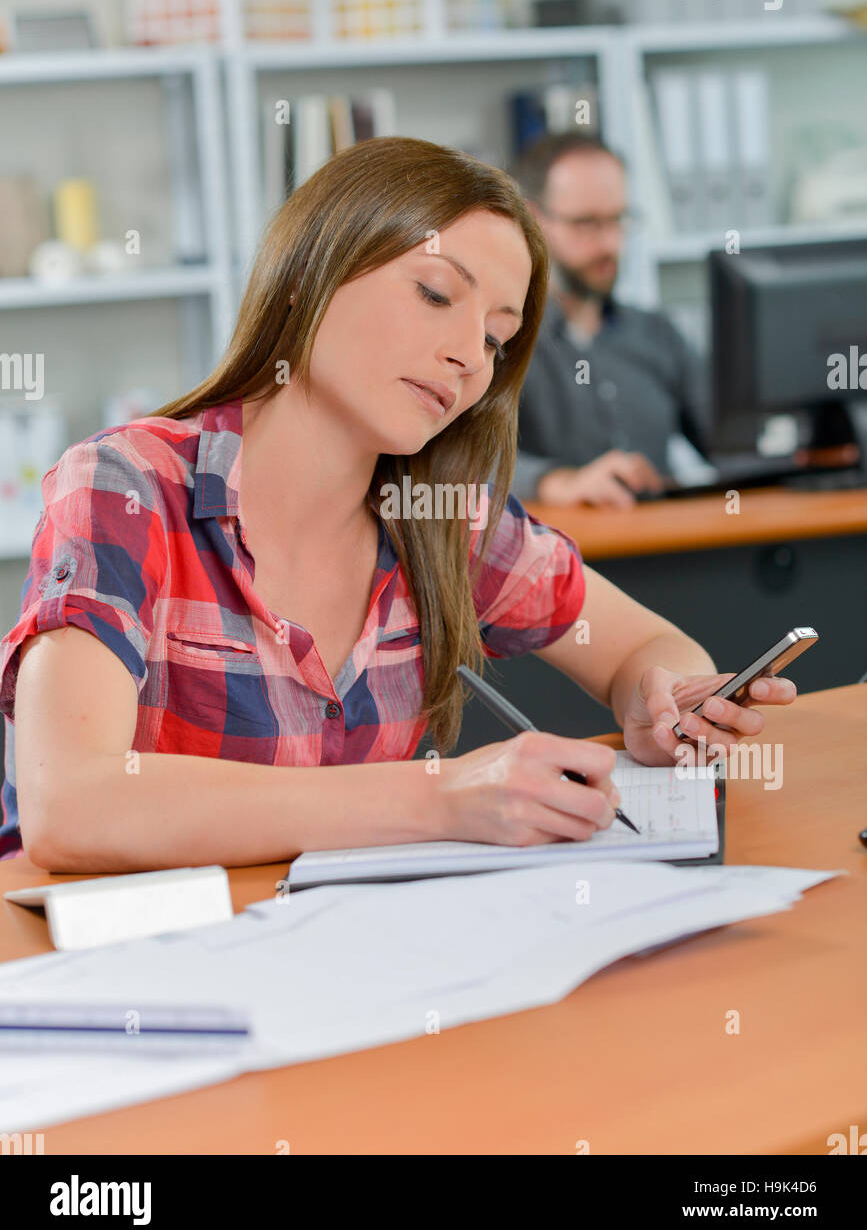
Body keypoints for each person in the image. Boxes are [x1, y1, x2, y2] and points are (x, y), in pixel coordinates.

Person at [0, 137, 795, 872]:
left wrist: (665, 705)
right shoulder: (126, 487)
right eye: (434, 292)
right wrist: (439, 797)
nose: (466, 357)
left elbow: (646, 647)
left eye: (496, 337)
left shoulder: (442, 517)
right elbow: (70, 805)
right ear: (312, 272)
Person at [509, 131, 710, 508]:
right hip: (561, 559)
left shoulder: (657, 334)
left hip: (667, 550)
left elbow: (734, 441)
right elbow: (460, 467)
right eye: (587, 224)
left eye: (617, 220)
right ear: (533, 220)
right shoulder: (500, 340)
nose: (610, 244)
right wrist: (558, 483)